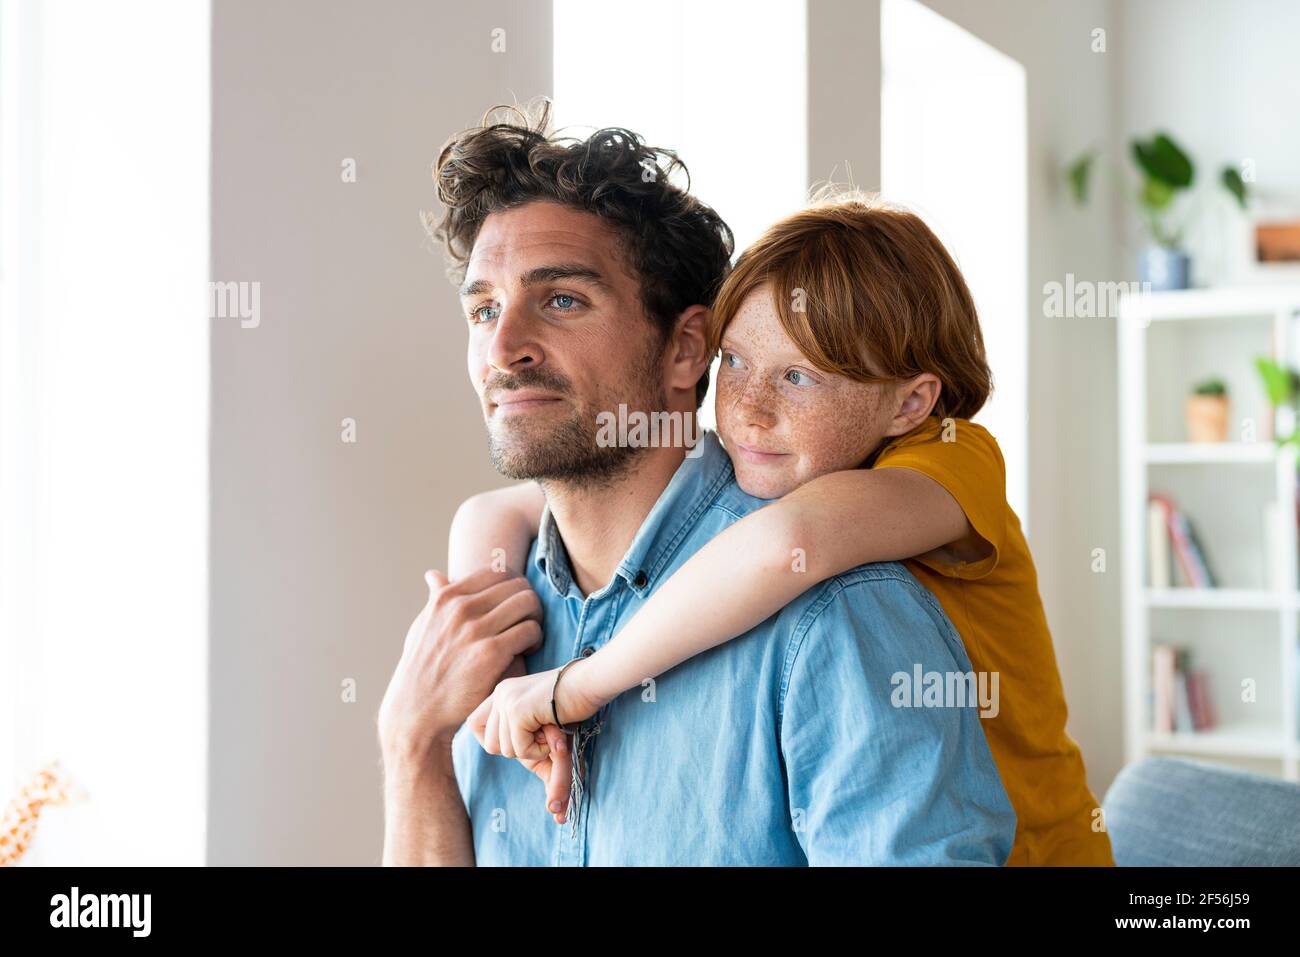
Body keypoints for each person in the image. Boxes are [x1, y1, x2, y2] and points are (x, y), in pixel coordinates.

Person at [377, 102, 1015, 866]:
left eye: (561, 300)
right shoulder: (481, 623)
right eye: (483, 308)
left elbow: (789, 546)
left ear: (687, 349)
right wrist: (412, 744)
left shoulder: (834, 608)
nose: (503, 348)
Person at [464, 192, 1114, 867]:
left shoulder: (953, 457)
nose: (750, 408)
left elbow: (787, 547)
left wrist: (582, 685)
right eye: (737, 362)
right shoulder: (783, 462)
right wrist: (497, 658)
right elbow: (491, 513)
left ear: (910, 402)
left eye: (798, 376)